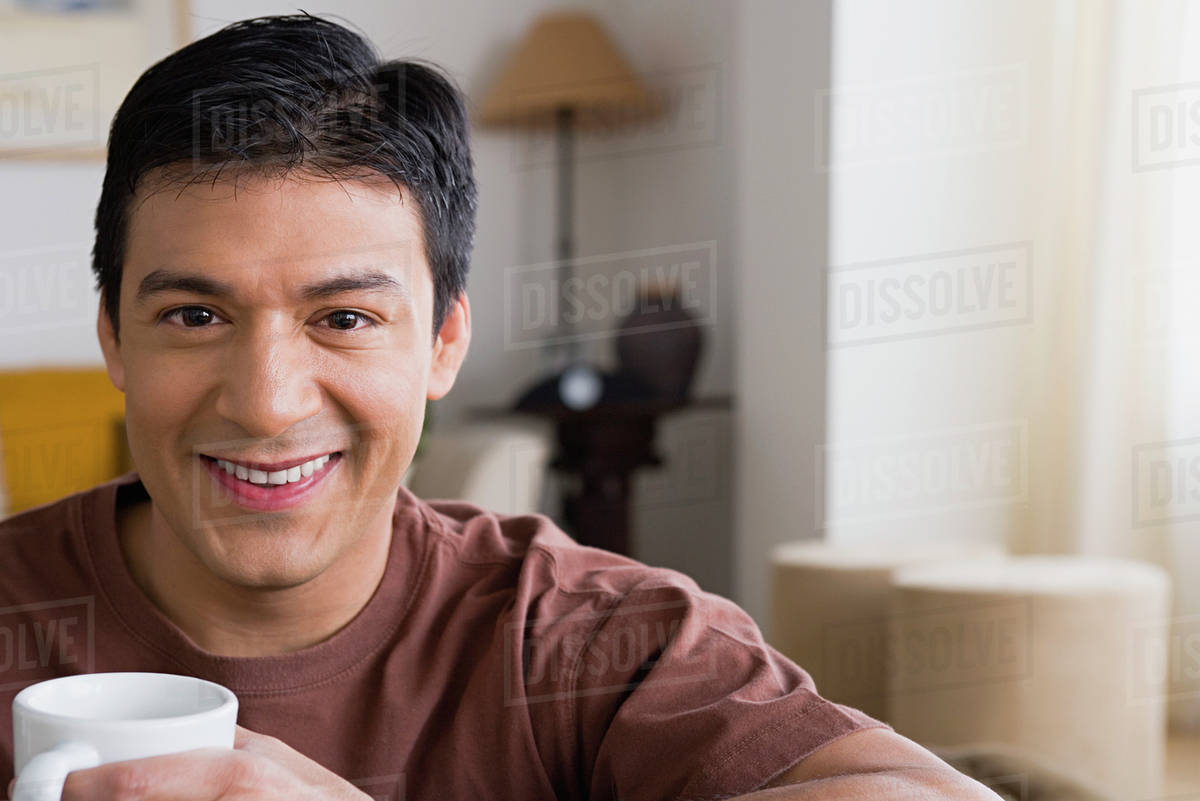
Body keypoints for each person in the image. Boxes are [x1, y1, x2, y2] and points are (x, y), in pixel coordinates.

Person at [0, 14, 999, 801]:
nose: (267, 403)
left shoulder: (575, 634)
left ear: (444, 342)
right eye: (194, 314)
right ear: (112, 337)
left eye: (344, 318)